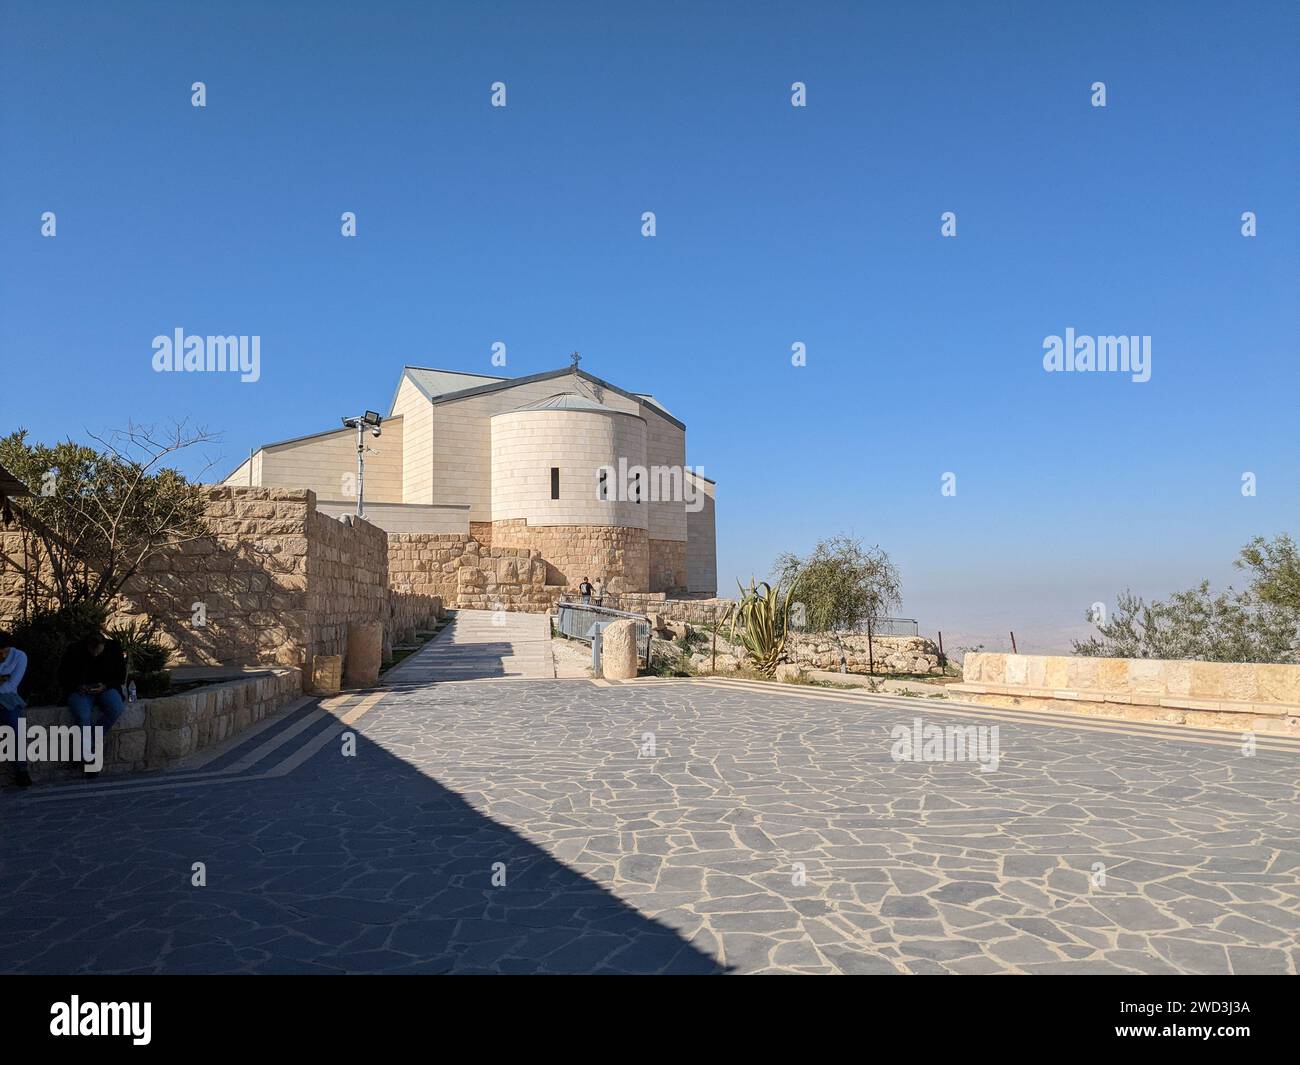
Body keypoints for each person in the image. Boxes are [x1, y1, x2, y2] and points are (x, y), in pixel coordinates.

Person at [59, 631, 127, 763]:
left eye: (98, 651)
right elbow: (63, 675)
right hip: (80, 690)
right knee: (83, 715)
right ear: (87, 646)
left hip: (106, 687)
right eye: (92, 651)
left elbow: (120, 676)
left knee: (116, 707)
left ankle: (91, 739)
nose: (95, 654)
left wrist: (105, 686)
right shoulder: (74, 650)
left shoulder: (114, 649)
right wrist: (78, 686)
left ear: (104, 645)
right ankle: (89, 754)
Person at [0, 632, 31, 787]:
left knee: (15, 729)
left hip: (8, 699)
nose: (4, 655)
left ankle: (21, 770)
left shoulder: (19, 656)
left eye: (6, 651)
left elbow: (12, 684)